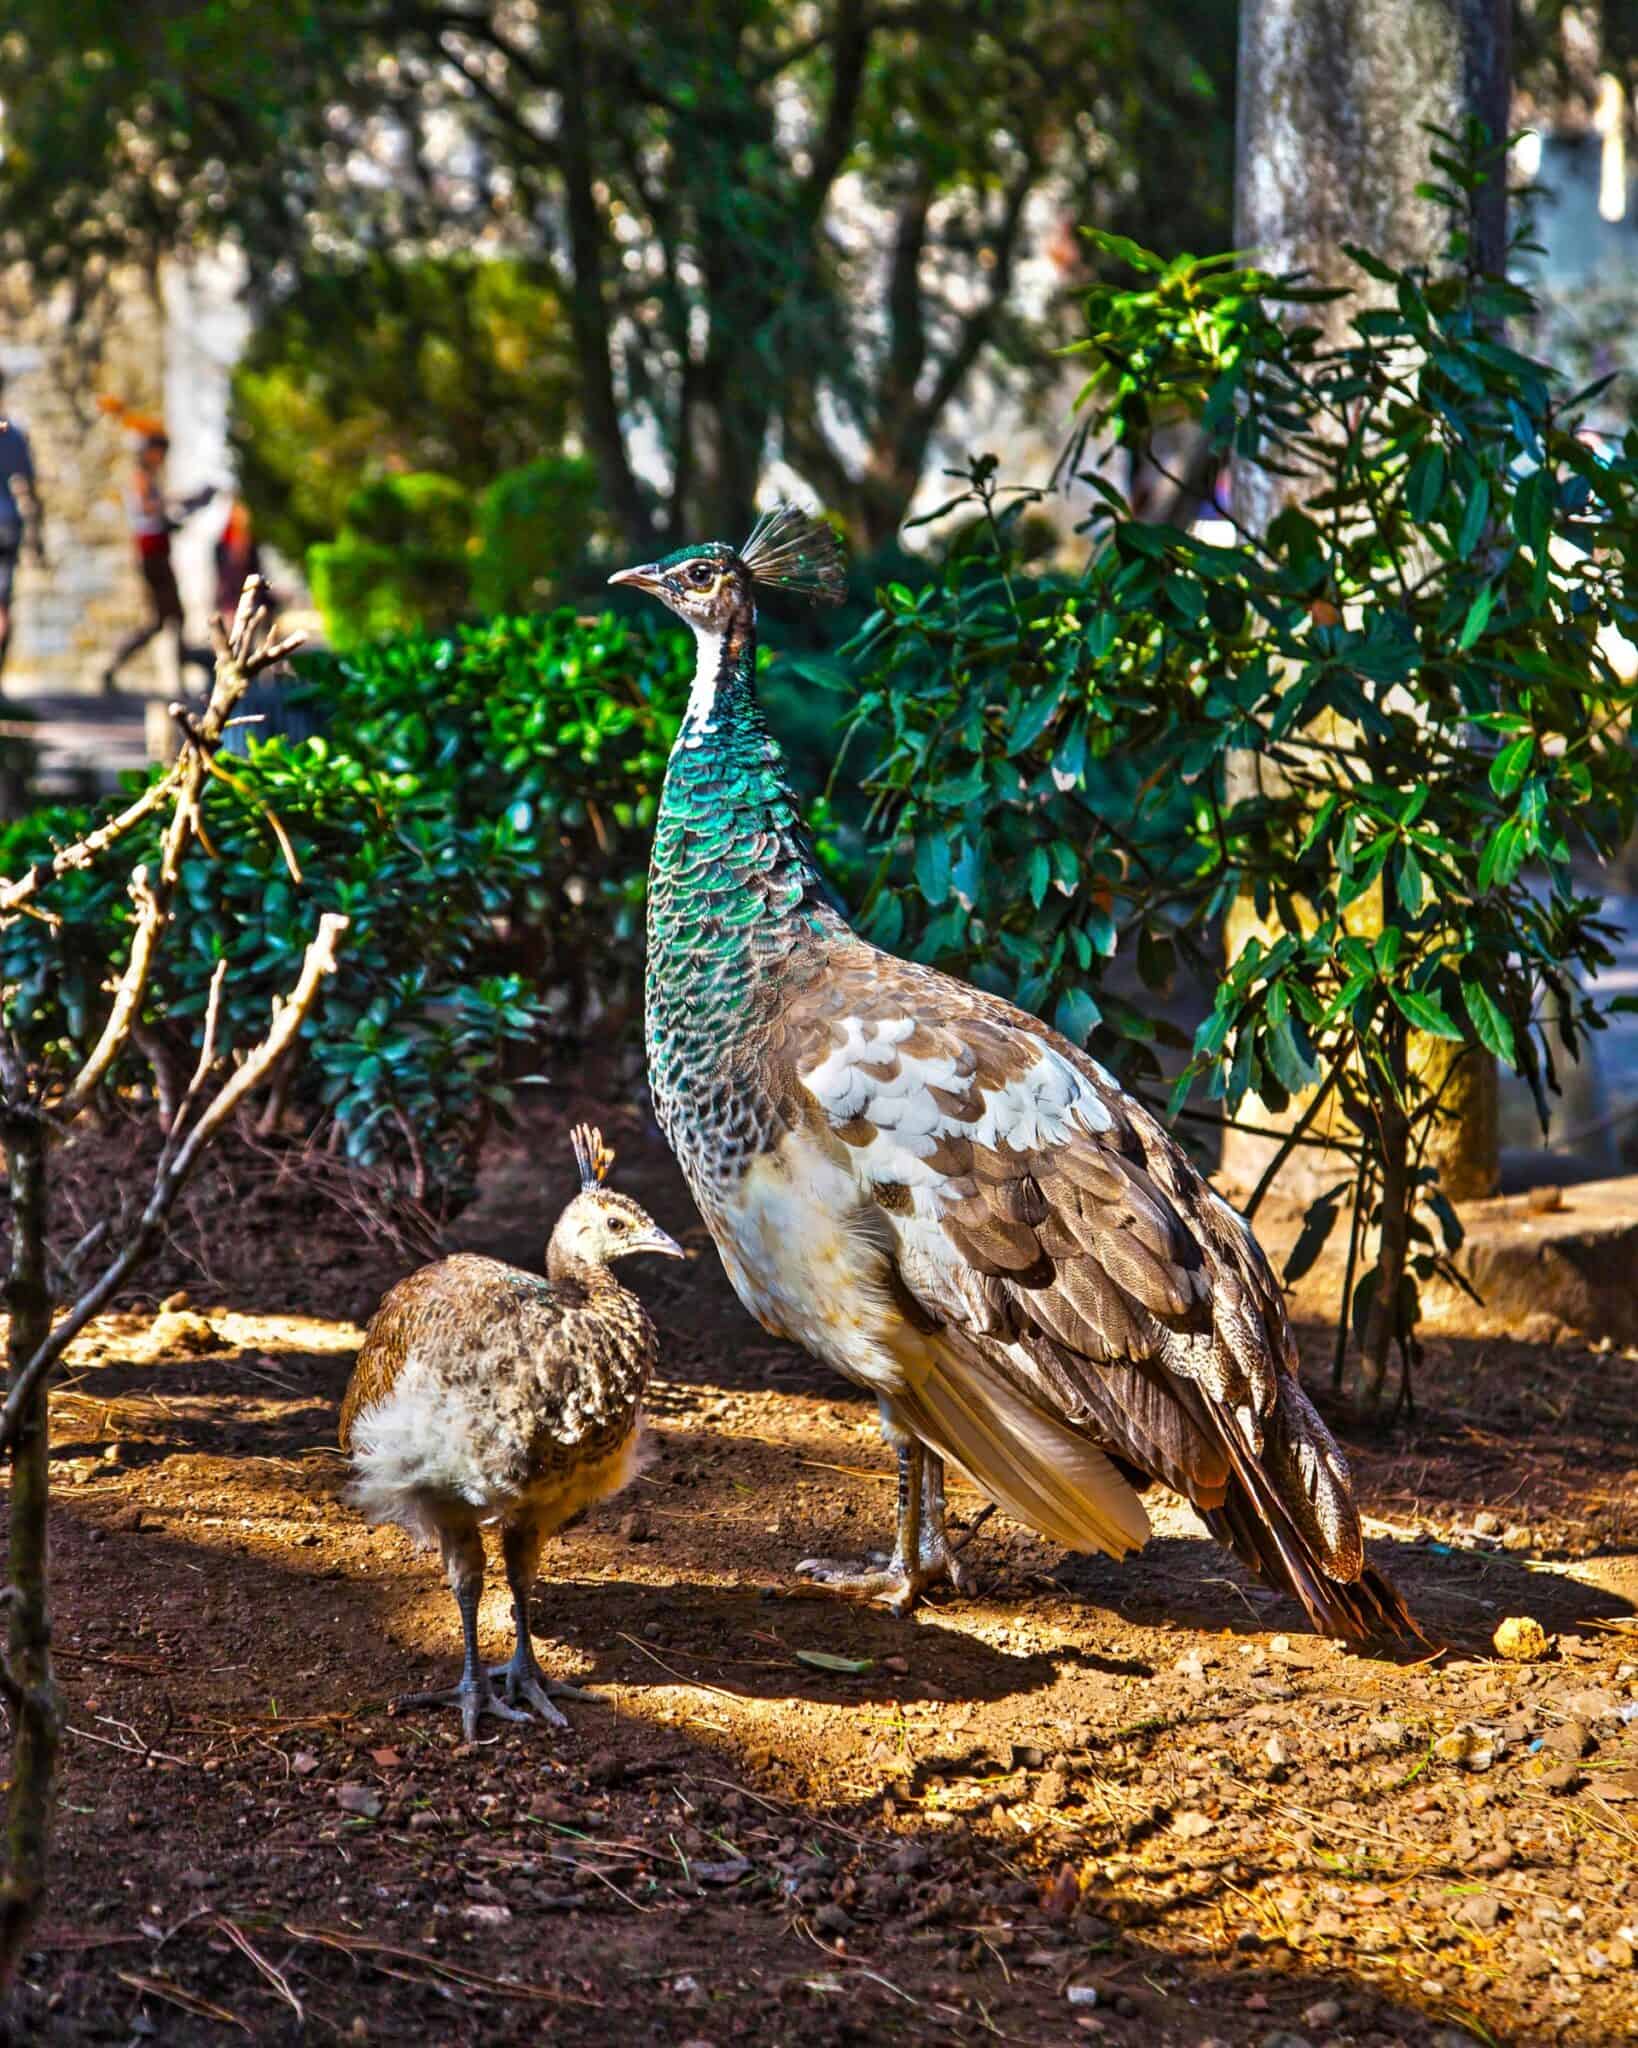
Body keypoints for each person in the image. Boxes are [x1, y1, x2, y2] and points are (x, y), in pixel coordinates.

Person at [101, 429, 214, 694]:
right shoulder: (141, 478)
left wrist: (181, 511)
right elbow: (148, 509)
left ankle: (184, 670)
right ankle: (187, 668)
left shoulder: (150, 478)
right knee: (167, 617)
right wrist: (184, 501)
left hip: (158, 552)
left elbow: (159, 515)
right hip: (151, 555)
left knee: (167, 618)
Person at [0, 371, 46, 685]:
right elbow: (26, 489)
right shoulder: (12, 434)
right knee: (1, 605)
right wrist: (36, 539)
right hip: (6, 523)